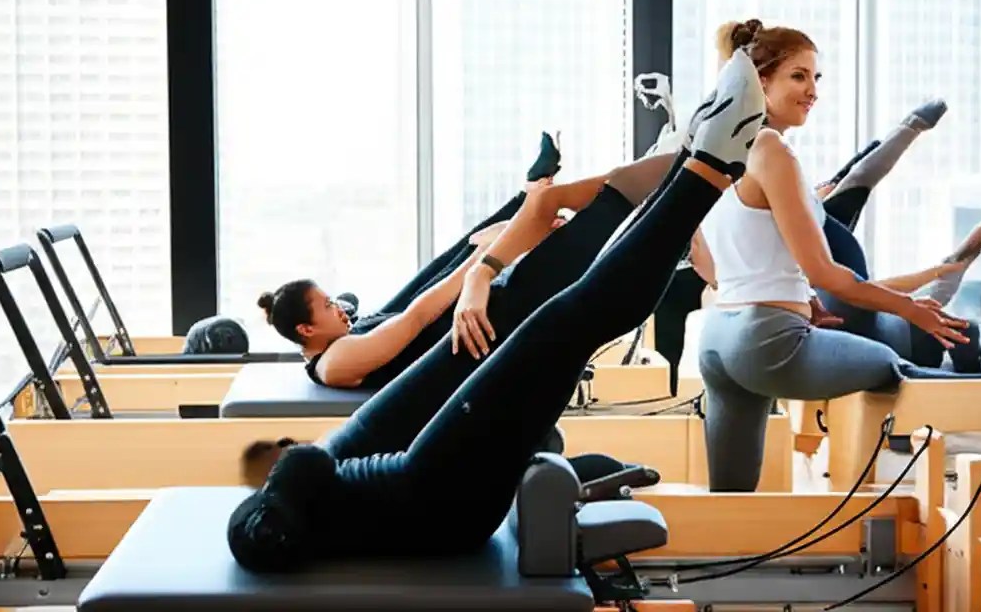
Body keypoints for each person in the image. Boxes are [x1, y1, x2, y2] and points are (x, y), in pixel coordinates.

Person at [226, 47, 786, 572]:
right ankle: (708, 165)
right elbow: (293, 490)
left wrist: (478, 272)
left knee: (535, 298)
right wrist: (292, 471)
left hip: (362, 471)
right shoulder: (265, 529)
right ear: (304, 329)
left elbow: (307, 468)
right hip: (427, 501)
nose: (337, 308)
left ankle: (689, 162)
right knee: (562, 322)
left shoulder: (289, 491)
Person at [693, 19, 981, 493]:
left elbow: (704, 261)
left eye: (815, 78)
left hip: (719, 340)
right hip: (769, 344)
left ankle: (726, 561)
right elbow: (824, 270)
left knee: (729, 499)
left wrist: (799, 302)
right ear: (759, 81)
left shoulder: (715, 143)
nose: (812, 91)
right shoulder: (771, 150)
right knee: (894, 366)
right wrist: (911, 308)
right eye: (798, 76)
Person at [259, 130, 691, 391]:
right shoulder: (334, 362)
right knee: (458, 265)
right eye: (328, 307)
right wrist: (481, 260)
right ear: (306, 329)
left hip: (448, 327)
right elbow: (416, 320)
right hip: (465, 335)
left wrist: (476, 255)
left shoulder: (338, 344)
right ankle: (626, 194)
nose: (339, 307)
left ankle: (531, 194)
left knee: (444, 264)